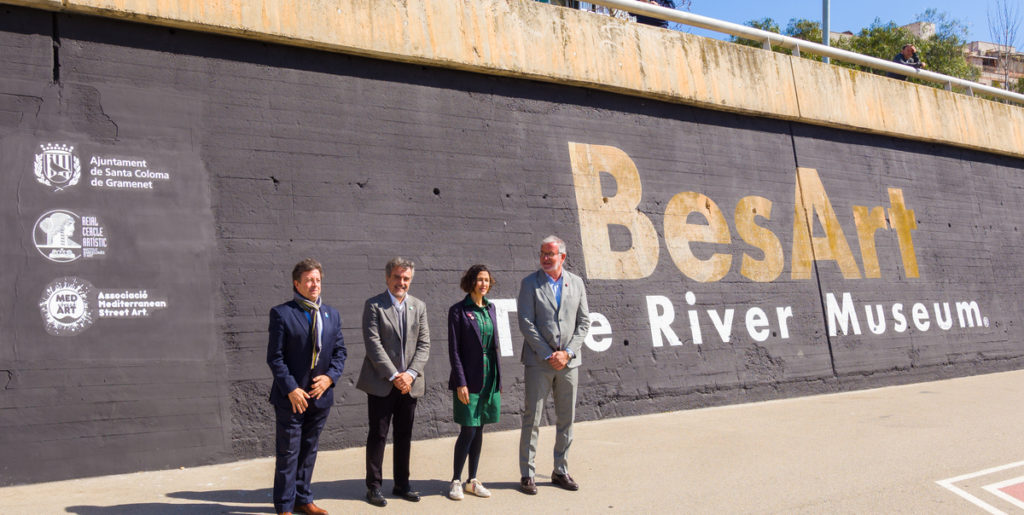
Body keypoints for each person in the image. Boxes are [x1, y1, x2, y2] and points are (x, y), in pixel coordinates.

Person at [267, 258, 347, 515]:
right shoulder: (282, 313)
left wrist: (330, 378)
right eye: (309, 280)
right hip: (292, 398)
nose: (315, 285)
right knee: (289, 453)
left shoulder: (331, 314)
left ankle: (303, 499)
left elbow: (340, 352)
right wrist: (291, 388)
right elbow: (275, 357)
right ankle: (284, 506)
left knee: (309, 451)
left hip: (320, 397)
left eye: (318, 280)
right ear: (297, 283)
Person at [517, 235, 590, 495]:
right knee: (532, 418)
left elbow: (584, 323)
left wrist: (567, 353)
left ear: (563, 257)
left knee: (566, 418)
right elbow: (526, 323)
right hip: (540, 362)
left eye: (551, 253)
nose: (546, 258)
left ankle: (560, 470)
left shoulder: (577, 283)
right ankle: (528, 473)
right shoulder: (529, 284)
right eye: (543, 253)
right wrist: (550, 354)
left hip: (569, 363)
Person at [356, 257, 431, 507]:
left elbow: (424, 345)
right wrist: (394, 375)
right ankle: (374, 486)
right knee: (378, 434)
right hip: (381, 382)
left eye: (406, 278)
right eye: (397, 277)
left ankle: (401, 483)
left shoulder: (418, 306)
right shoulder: (374, 305)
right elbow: (373, 344)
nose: (402, 282)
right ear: (388, 277)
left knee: (404, 434)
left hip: (409, 384)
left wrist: (409, 374)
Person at [446, 265, 502, 501]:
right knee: (468, 428)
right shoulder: (458, 311)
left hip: (490, 376)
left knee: (480, 429)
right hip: (468, 379)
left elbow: (492, 345)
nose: (484, 284)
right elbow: (454, 350)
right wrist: (461, 382)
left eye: (487, 280)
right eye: (479, 280)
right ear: (471, 282)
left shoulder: (491, 308)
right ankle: (456, 481)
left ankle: (472, 480)